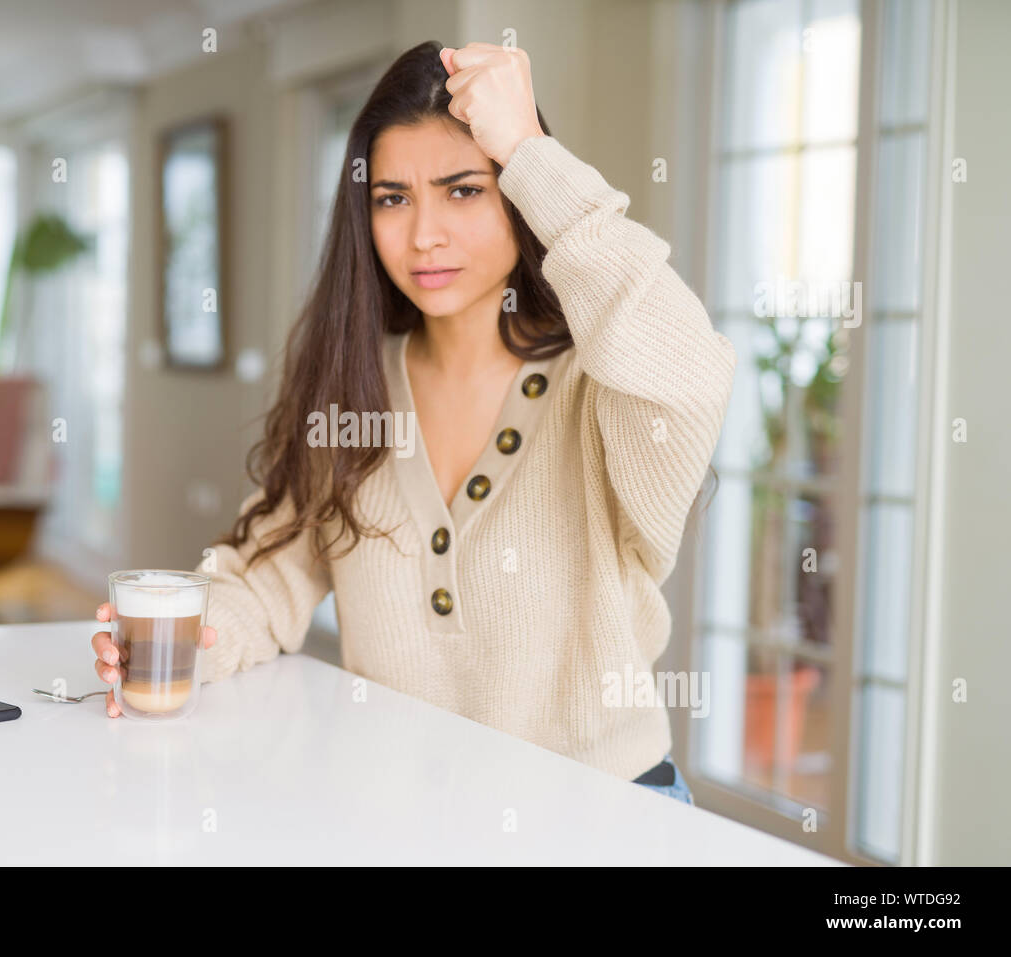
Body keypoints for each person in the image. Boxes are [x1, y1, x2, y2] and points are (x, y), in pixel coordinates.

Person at [92, 40, 735, 806]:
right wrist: (196, 640)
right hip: (409, 824)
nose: (423, 233)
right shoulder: (354, 389)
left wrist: (529, 150)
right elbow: (264, 579)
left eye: (463, 190)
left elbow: (690, 368)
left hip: (610, 820)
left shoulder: (598, 384)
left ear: (520, 195)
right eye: (392, 197)